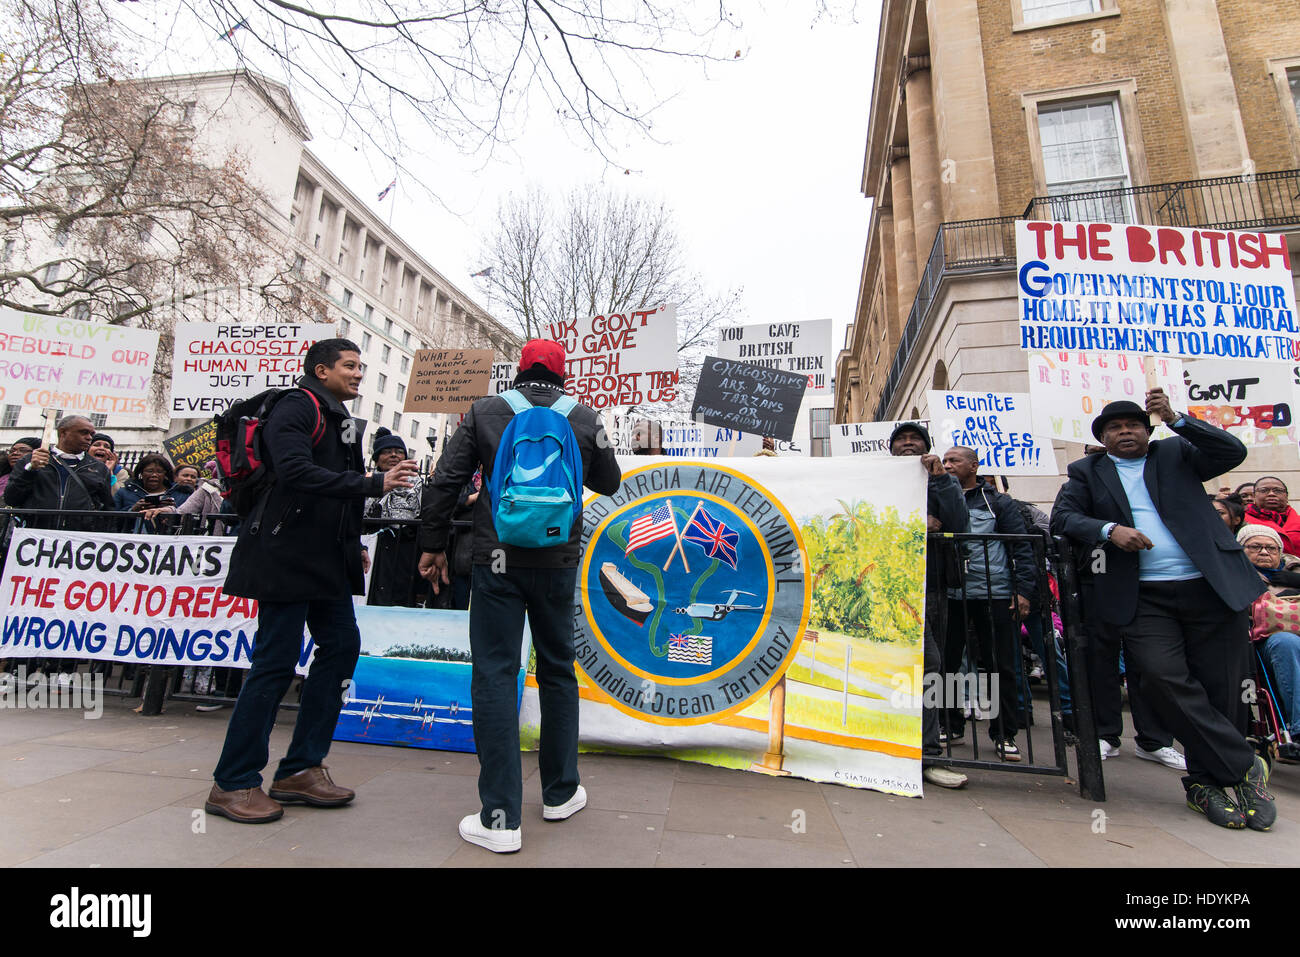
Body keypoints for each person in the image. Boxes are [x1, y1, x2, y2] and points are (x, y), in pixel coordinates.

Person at [417, 339, 620, 853]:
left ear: (521, 368)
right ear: (561, 373)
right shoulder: (584, 415)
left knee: (494, 673)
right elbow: (610, 482)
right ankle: (560, 792)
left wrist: (432, 544)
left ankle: (499, 817)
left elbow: (445, 481)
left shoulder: (487, 409)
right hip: (557, 559)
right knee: (556, 669)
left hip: (496, 558)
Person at [205, 338, 417, 824]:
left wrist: (352, 540)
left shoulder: (338, 417)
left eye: (361, 366)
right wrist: (372, 484)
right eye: (350, 366)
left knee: (341, 648)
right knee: (274, 663)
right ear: (321, 370)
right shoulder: (298, 406)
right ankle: (233, 781)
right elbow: (295, 471)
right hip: (285, 554)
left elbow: (328, 489)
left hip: (325, 557)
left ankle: (300, 768)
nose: (359, 374)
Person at [1051, 390, 1276, 831]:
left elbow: (1232, 450)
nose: (1125, 432)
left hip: (1209, 588)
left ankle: (1207, 784)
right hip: (1143, 597)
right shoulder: (1087, 473)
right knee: (1160, 677)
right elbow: (1063, 519)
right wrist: (1109, 530)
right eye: (1114, 428)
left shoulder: (1176, 453)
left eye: (1133, 425)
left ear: (1148, 430)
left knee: (1222, 688)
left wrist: (1178, 418)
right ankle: (1245, 763)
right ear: (1102, 438)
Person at [939, 447, 1036, 761]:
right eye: (945, 460)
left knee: (1000, 666)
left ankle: (1004, 733)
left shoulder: (999, 502)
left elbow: (1021, 548)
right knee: (947, 665)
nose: (948, 465)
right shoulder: (937, 497)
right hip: (952, 594)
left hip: (994, 593)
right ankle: (949, 724)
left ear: (974, 466)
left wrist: (1022, 591)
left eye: (955, 460)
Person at [889, 422, 969, 789]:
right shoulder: (879, 478)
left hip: (930, 585)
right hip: (888, 587)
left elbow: (958, 523)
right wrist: (911, 525)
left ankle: (927, 753)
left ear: (926, 447)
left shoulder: (942, 481)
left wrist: (939, 481)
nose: (908, 444)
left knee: (929, 666)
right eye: (901, 440)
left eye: (915, 440)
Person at [1236, 524, 1300, 763]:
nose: (1264, 552)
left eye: (1271, 548)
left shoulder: (1295, 573)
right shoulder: (1233, 575)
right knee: (1286, 643)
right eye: (1255, 546)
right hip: (1263, 643)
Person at [4, 415, 114, 528]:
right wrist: (30, 470)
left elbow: (107, 508)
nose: (89, 438)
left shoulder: (99, 468)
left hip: (77, 538)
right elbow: (11, 498)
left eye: (91, 434)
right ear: (63, 432)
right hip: (35, 534)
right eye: (84, 432)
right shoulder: (29, 460)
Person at [364, 428, 433, 608]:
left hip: (405, 555)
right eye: (387, 452)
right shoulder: (365, 484)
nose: (394, 455)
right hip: (373, 554)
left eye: (399, 452)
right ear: (377, 458)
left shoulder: (418, 487)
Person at [1243, 477, 1300, 556]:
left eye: (1278, 491)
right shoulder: (1242, 520)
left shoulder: (1298, 520)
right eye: (1264, 490)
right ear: (1254, 496)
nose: (1271, 494)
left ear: (1287, 497)